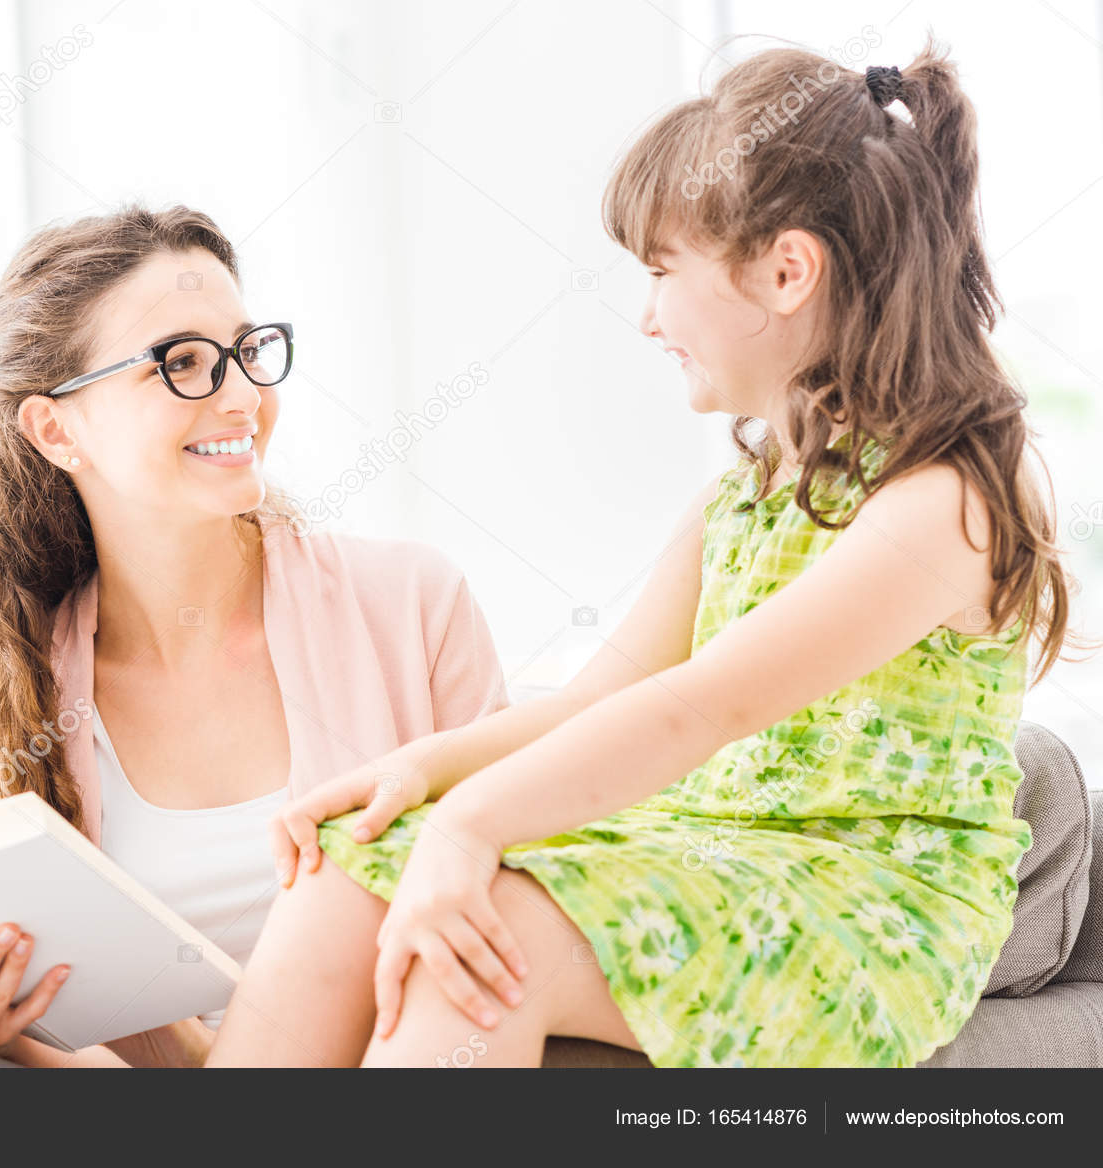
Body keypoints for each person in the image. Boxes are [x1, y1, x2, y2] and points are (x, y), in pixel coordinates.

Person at [206, 37, 1083, 1069]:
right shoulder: (739, 503)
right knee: (339, 878)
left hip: (870, 904)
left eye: (662, 272)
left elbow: (701, 708)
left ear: (787, 271)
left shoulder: (943, 503)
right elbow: (598, 697)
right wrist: (412, 774)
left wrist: (467, 827)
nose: (647, 316)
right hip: (723, 851)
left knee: (481, 949)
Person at [0, 205, 506, 1068]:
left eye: (246, 351)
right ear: (56, 430)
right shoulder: (17, 676)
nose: (242, 397)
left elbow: (515, 913)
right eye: (181, 362)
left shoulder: (410, 604)